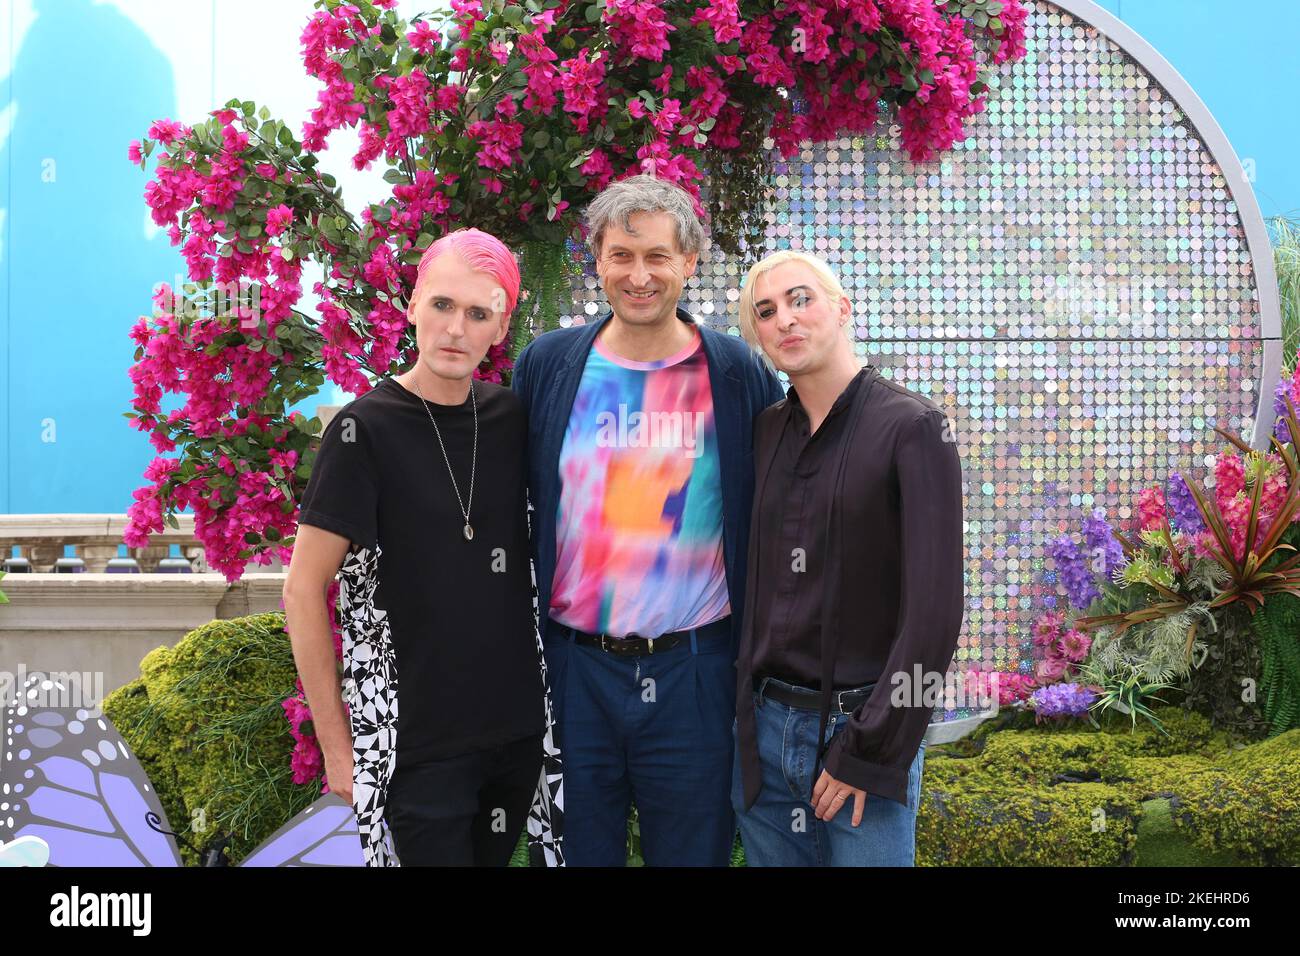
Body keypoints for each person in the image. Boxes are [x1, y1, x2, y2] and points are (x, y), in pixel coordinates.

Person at [512, 175, 784, 866]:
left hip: (695, 673)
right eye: (622, 256)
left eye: (658, 256)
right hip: (577, 673)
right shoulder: (548, 367)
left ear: (689, 261)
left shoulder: (735, 371)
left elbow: (776, 506)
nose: (640, 276)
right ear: (597, 259)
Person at [282, 228, 563, 867]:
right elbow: (302, 589)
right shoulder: (363, 431)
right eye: (441, 305)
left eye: (477, 314)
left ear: (500, 328)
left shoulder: (511, 420)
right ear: (412, 305)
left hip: (516, 732)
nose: (456, 329)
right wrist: (336, 747)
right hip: (416, 745)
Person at [731, 250, 965, 866]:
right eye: (766, 311)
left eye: (800, 299)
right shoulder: (765, 433)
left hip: (859, 732)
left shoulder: (913, 428)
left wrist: (873, 746)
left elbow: (934, 614)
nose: (785, 319)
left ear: (841, 308)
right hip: (766, 730)